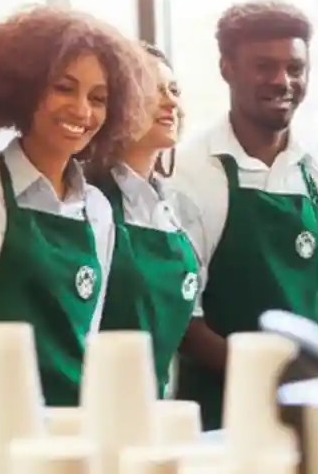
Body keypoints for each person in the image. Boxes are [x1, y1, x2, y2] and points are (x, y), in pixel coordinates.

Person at [0, 6, 149, 406]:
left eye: (98, 98)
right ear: (24, 88)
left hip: (74, 436)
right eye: (64, 88)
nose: (82, 111)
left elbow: (88, 340)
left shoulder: (96, 209)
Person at [170, 0, 318, 431]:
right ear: (226, 67)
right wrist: (264, 378)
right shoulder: (190, 173)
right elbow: (183, 319)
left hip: (308, 417)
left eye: (296, 68)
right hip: (218, 418)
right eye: (264, 66)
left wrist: (316, 368)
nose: (283, 81)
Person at [87, 43, 200, 395]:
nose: (170, 102)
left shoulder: (177, 209)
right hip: (95, 406)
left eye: (174, 90)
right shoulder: (87, 202)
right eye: (153, 90)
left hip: (158, 407)